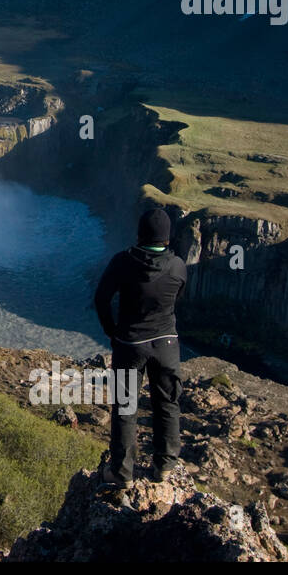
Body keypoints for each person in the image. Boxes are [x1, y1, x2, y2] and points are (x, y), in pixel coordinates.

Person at [93, 207, 187, 488]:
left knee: (126, 406)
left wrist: (113, 331)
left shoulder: (123, 262)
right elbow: (178, 296)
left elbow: (101, 299)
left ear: (139, 234)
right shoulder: (178, 265)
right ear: (167, 238)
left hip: (130, 343)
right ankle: (165, 467)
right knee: (167, 403)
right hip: (167, 342)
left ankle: (122, 473)